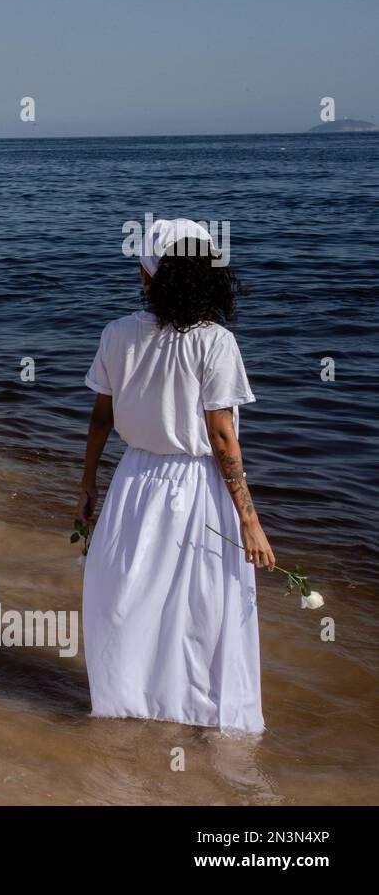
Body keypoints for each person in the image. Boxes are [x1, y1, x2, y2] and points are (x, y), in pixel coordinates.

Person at [77, 218, 272, 734]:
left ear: (150, 276)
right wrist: (249, 520)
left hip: (135, 480)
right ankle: (205, 715)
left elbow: (101, 417)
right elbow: (223, 439)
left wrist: (88, 482)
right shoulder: (216, 343)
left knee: (127, 597)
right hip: (200, 487)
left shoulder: (118, 334)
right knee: (205, 608)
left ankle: (129, 707)